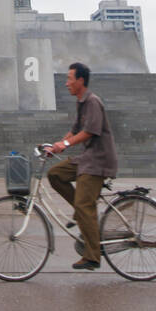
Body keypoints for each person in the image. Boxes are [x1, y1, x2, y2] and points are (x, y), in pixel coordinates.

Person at [46, 61, 118, 270]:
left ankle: (92, 256)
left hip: (99, 161)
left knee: (84, 205)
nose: (66, 83)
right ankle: (81, 213)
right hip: (87, 158)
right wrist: (56, 145)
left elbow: (90, 131)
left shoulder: (93, 101)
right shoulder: (81, 102)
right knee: (55, 174)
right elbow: (76, 129)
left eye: (69, 79)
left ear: (80, 80)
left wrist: (66, 144)